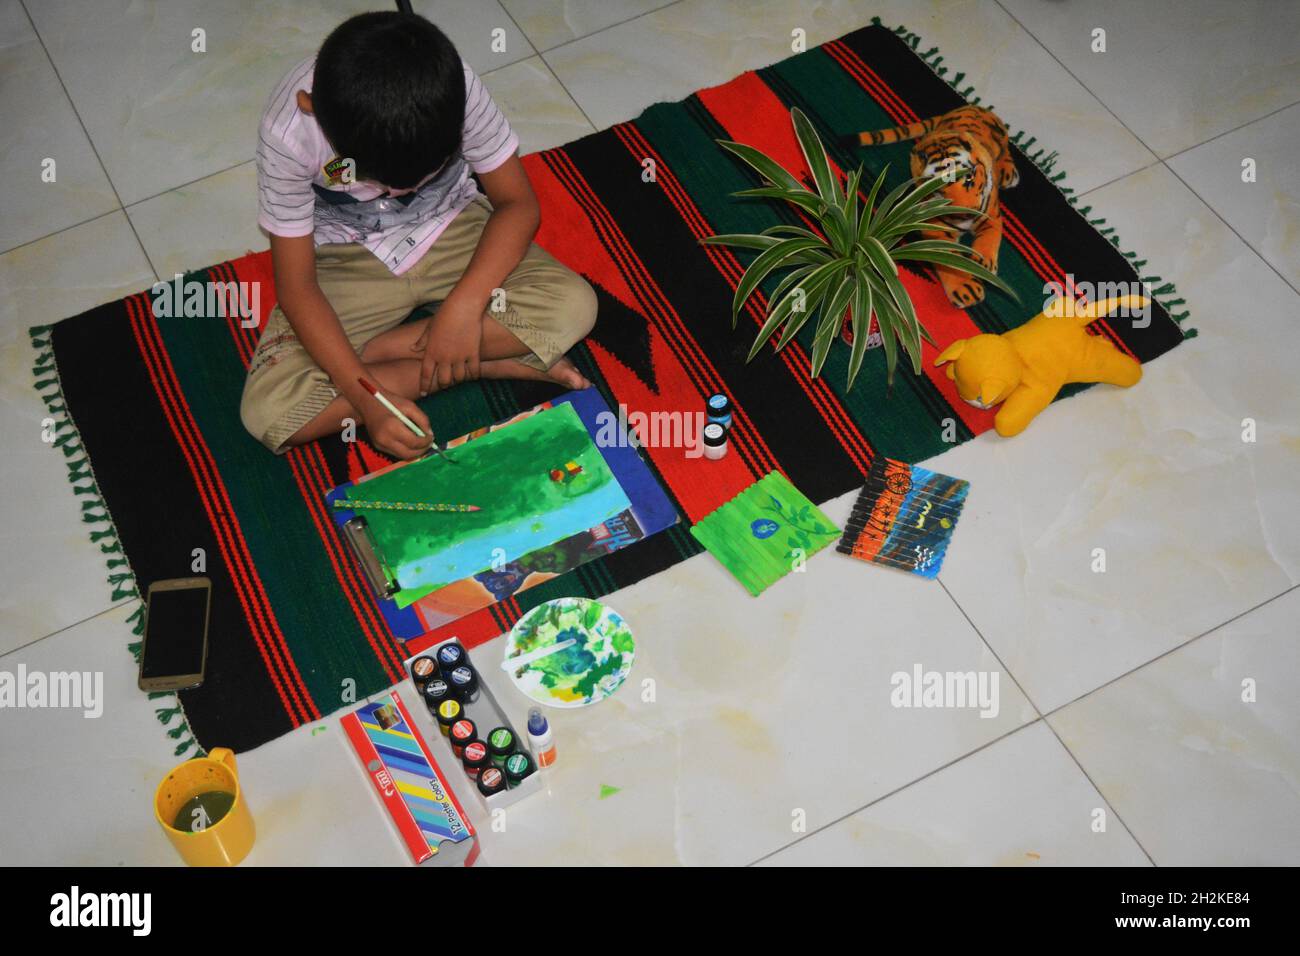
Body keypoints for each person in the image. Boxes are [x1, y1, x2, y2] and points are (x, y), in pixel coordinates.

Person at [241, 11, 596, 458]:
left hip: (455, 224)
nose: (398, 193)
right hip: (346, 257)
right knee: (269, 412)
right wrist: (372, 401)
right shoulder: (290, 130)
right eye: (381, 181)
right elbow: (297, 286)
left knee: (574, 304)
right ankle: (480, 364)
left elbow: (517, 204)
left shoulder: (454, 90)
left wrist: (463, 309)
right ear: (312, 110)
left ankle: (395, 353)